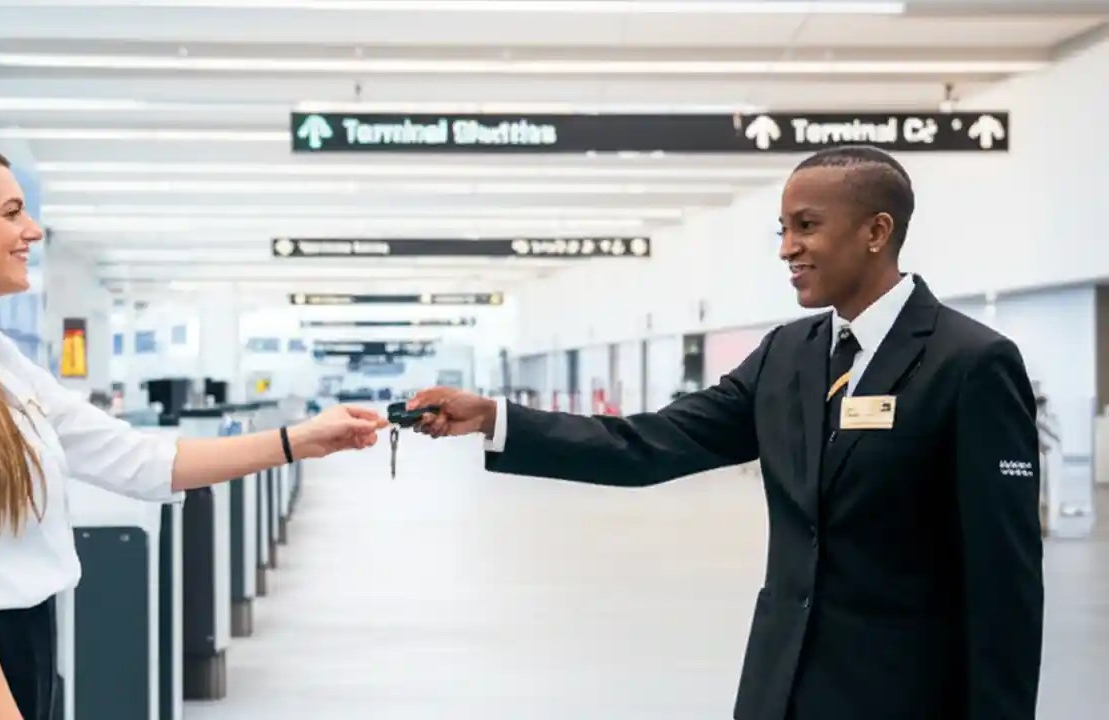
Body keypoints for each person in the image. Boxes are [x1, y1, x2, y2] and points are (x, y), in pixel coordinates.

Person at [408, 145, 1043, 720]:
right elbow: (647, 444)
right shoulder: (788, 355)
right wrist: (496, 418)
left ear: (876, 232)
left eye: (806, 226)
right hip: (781, 686)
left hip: (905, 696)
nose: (786, 248)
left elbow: (1005, 583)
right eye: (784, 229)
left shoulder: (970, 362)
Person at [0, 143, 388, 720]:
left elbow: (138, 460)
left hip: (23, 656)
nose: (32, 231)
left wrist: (300, 440)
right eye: (11, 213)